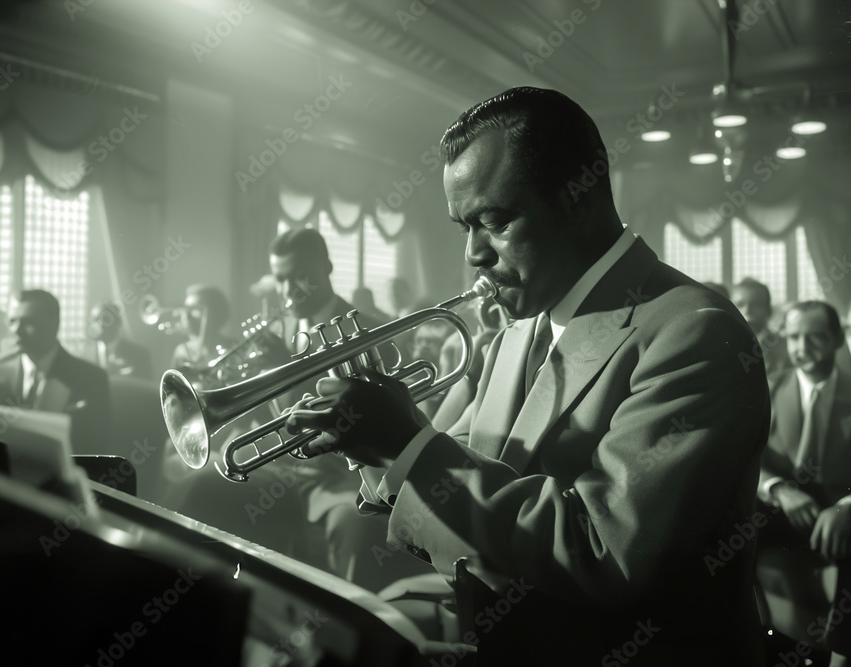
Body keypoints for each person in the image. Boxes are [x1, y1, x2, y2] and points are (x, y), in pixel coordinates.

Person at [285, 87, 772, 664]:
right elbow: (450, 478)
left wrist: (404, 441)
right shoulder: (515, 334)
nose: (472, 253)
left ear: (578, 199)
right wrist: (370, 441)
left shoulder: (693, 331)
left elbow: (605, 554)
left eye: (494, 220)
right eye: (463, 226)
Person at [268, 227, 428, 589]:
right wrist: (278, 377)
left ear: (325, 268)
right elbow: (282, 427)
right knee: (205, 486)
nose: (288, 290)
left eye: (299, 276)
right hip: (289, 473)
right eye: (280, 279)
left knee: (354, 530)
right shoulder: (284, 334)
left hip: (344, 478)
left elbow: (388, 429)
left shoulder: (372, 332)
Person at [756, 301, 850, 661]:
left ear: (838, 339)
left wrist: (846, 507)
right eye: (794, 337)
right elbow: (745, 459)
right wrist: (780, 489)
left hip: (840, 516)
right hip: (778, 510)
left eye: (815, 337)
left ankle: (843, 654)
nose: (802, 347)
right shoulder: (767, 388)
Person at [0, 290, 110, 454]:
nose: (16, 331)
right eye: (12, 322)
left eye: (28, 322)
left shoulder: (91, 379)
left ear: (54, 324)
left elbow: (96, 449)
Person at [732, 277, 790, 378]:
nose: (747, 310)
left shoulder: (785, 348)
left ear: (768, 310)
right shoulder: (723, 347)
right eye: (740, 304)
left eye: (756, 304)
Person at [85, 301, 153, 381]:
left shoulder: (140, 355)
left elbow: (145, 389)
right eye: (95, 320)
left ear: (118, 322)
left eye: (105, 319)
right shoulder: (84, 357)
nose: (99, 325)